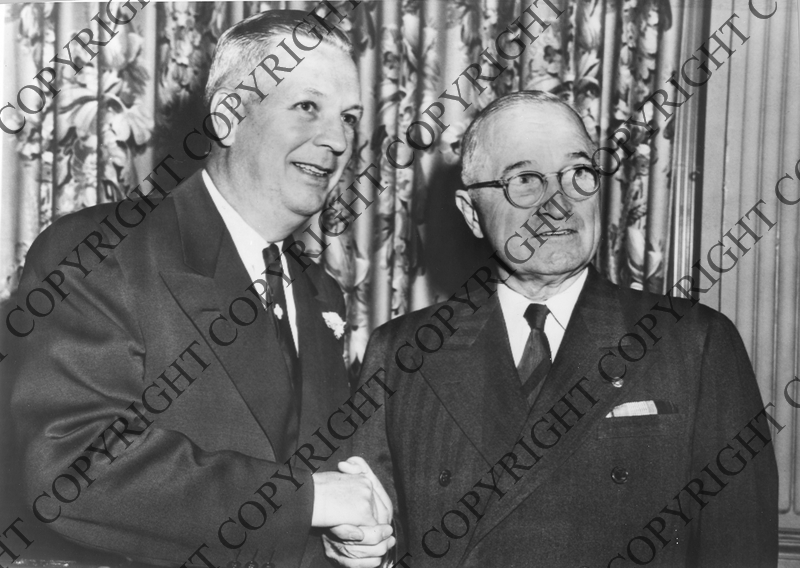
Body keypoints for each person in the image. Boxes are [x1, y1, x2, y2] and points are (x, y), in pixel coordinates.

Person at [10, 9, 393, 568]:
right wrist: (307, 502)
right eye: (307, 107)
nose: (337, 140)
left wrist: (341, 540)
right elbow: (69, 469)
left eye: (350, 118)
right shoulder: (103, 250)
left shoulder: (320, 292)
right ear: (228, 116)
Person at [336, 91, 778, 567]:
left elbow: (740, 549)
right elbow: (367, 538)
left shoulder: (693, 342)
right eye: (525, 180)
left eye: (578, 173)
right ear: (471, 212)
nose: (558, 204)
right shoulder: (402, 354)